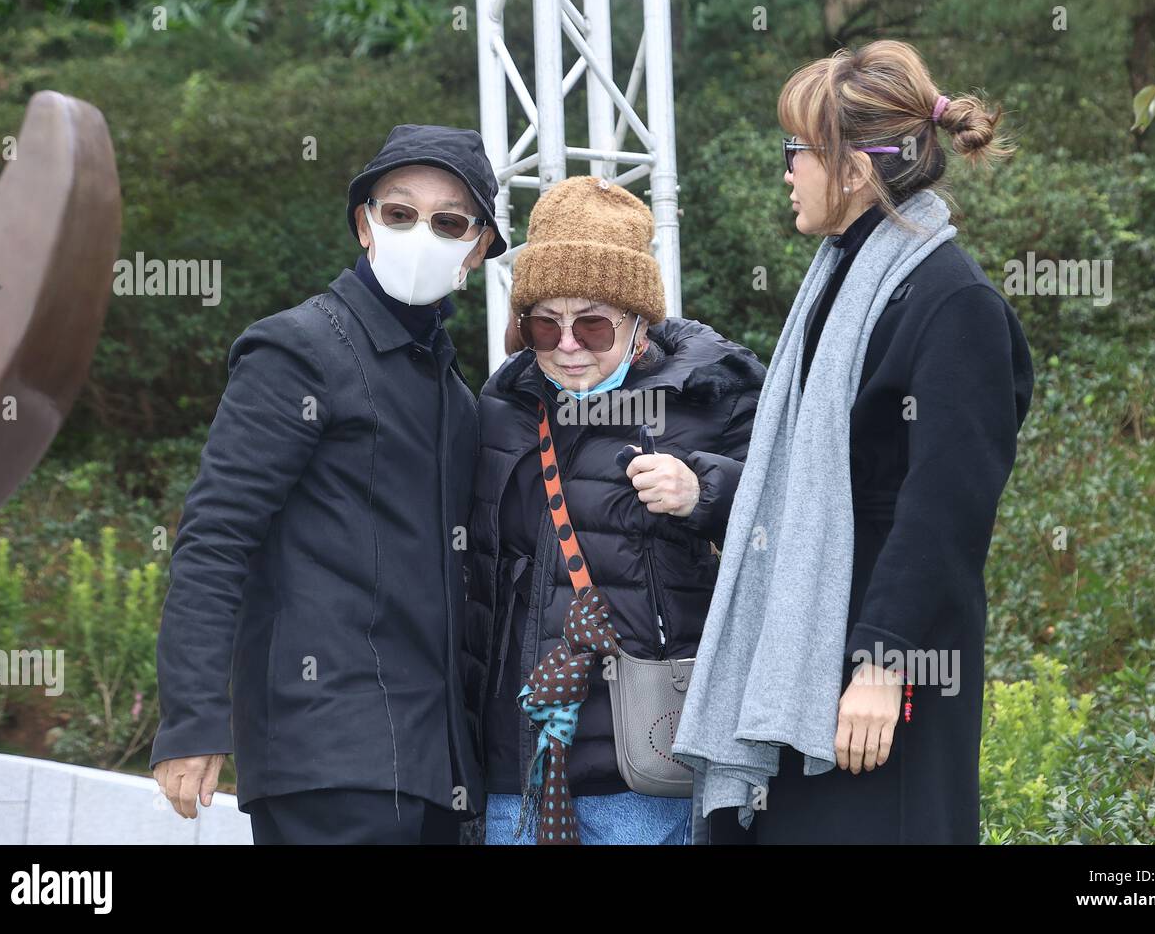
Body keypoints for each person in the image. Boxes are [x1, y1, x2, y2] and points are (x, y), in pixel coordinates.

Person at [672, 40, 1035, 844]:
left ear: (855, 167)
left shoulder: (953, 304)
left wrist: (883, 665)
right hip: (809, 654)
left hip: (876, 682)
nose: (787, 170)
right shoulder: (842, 282)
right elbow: (803, 479)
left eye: (796, 151)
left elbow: (946, 512)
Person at [149, 123, 505, 844]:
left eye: (448, 221)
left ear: (478, 247)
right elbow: (217, 537)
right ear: (364, 226)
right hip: (328, 760)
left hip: (435, 771)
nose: (419, 232)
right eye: (398, 213)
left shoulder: (457, 396)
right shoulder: (297, 349)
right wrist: (192, 718)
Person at [461, 175, 765, 844]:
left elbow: (799, 521)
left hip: (646, 768)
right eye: (546, 322)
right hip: (515, 772)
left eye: (593, 323)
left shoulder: (712, 395)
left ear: (638, 321)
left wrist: (705, 492)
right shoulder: (498, 408)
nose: (567, 344)